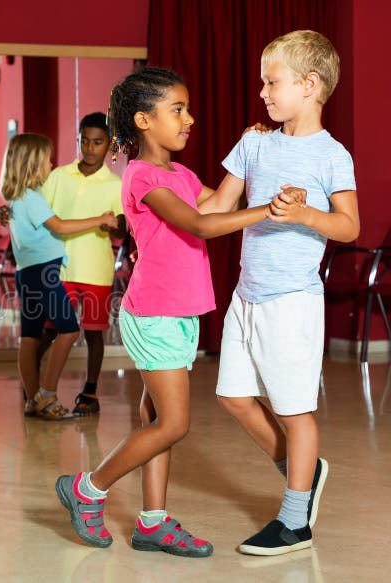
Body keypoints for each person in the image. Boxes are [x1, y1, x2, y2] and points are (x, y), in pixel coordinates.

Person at [55, 67, 278, 557]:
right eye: (177, 110)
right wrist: (268, 211)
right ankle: (87, 488)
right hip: (154, 313)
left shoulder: (181, 173)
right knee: (173, 423)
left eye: (187, 108)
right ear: (143, 120)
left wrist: (242, 154)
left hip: (180, 313)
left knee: (156, 419)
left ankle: (152, 521)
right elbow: (200, 224)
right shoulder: (141, 176)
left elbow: (219, 201)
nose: (190, 119)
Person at [199, 30, 359, 556]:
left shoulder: (332, 154)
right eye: (263, 82)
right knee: (233, 397)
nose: (263, 92)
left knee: (294, 411)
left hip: (292, 299)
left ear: (309, 85)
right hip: (247, 295)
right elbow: (217, 208)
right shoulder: (254, 142)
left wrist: (306, 213)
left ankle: (295, 521)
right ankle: (303, 471)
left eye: (272, 82)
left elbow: (349, 227)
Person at [0, 113, 126, 416]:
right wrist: (99, 219)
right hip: (57, 271)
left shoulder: (115, 183)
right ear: (78, 140)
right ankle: (41, 392)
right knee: (53, 331)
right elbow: (55, 223)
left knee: (90, 333)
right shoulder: (56, 178)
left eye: (98, 142)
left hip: (93, 270)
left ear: (109, 145)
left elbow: (122, 229)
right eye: (85, 141)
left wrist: (112, 225)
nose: (91, 148)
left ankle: (68, 392)